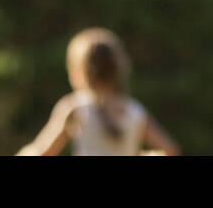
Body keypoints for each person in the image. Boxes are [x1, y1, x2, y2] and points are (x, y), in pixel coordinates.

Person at [17, 27, 181, 156]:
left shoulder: (75, 107)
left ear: (78, 72)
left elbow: (42, 152)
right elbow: (170, 150)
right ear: (118, 71)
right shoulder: (134, 111)